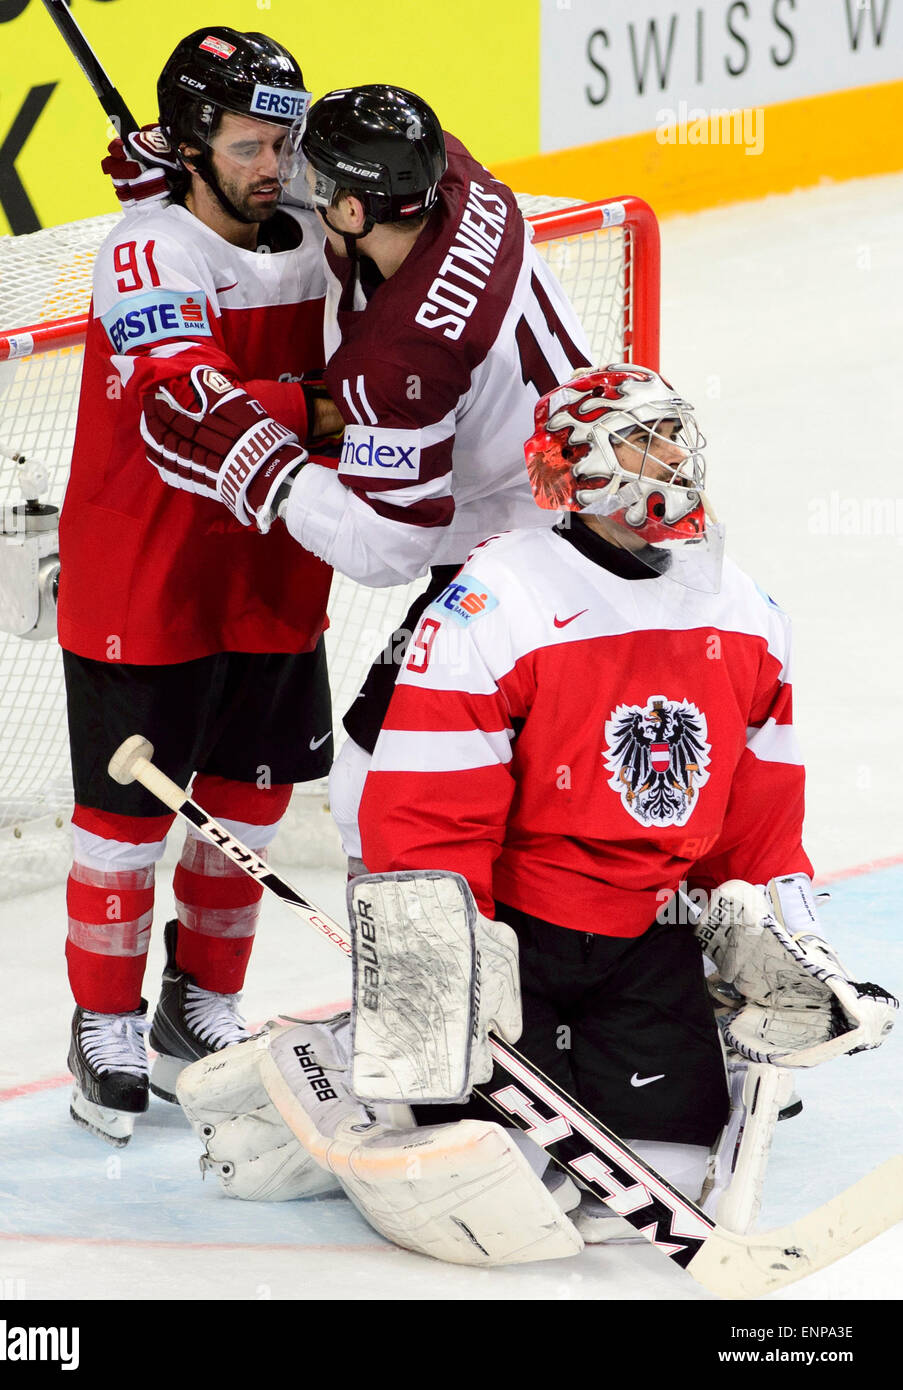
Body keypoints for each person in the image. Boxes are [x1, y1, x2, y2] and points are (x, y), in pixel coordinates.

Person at [174, 365, 896, 1265]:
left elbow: (758, 816)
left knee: (644, 1182)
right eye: (640, 439)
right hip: (519, 942)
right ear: (577, 469)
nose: (671, 457)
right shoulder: (498, 599)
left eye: (674, 434)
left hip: (646, 936)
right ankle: (330, 1069)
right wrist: (441, 972)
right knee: (511, 1183)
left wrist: (792, 943)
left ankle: (372, 1055)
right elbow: (429, 813)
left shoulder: (745, 610)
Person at [137, 83, 593, 873]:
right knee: (532, 773)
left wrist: (267, 469)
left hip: (518, 558)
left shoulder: (400, 359)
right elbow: (353, 174)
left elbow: (391, 551)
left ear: (354, 211)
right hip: (588, 508)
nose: (293, 181)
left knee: (374, 779)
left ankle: (405, 993)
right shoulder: (448, 168)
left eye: (314, 181)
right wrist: (198, 179)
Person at [58, 27, 343, 1146]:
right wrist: (328, 408)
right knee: (124, 824)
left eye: (287, 139)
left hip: (276, 562)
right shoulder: (144, 253)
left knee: (248, 807)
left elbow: (438, 189)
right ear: (187, 145)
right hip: (148, 572)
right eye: (246, 143)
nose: (275, 164)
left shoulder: (319, 222)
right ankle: (103, 1020)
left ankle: (198, 1003)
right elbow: (183, 408)